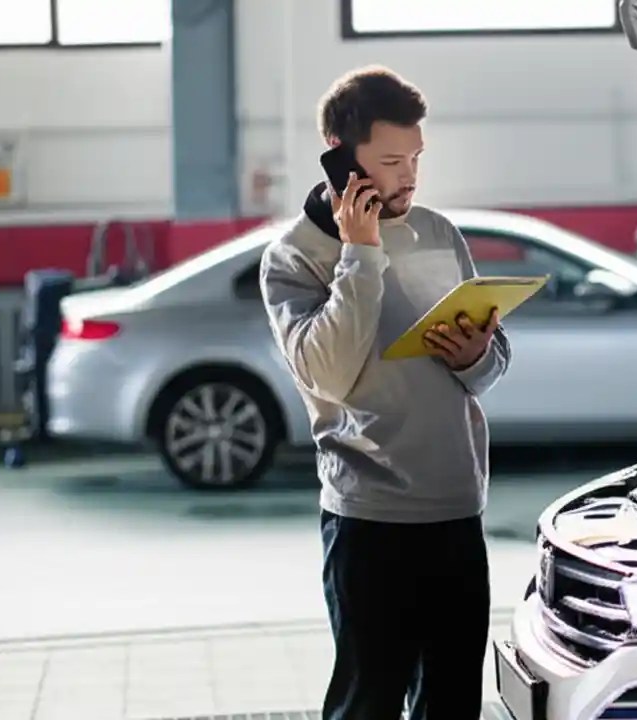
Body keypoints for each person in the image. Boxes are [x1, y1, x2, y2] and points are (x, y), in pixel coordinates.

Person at [257, 64, 511, 720]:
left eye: (417, 158)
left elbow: (489, 368)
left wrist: (477, 355)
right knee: (368, 704)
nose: (409, 176)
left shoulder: (438, 232)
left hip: (456, 508)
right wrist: (360, 252)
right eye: (392, 160)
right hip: (370, 517)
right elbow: (329, 371)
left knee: (452, 702)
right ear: (341, 159)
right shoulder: (295, 257)